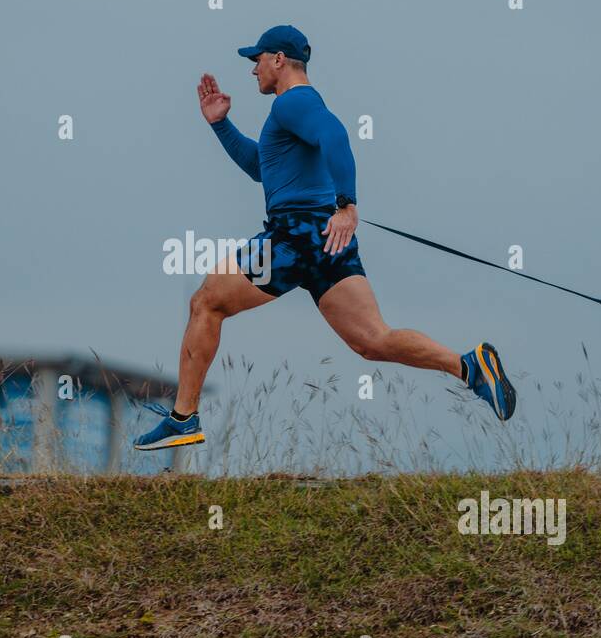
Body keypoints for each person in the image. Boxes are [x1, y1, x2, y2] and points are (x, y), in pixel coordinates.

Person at [134, 25, 515, 451]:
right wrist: (221, 126)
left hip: (296, 234)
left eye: (256, 59)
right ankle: (469, 367)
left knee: (206, 301)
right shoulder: (291, 111)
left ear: (279, 59)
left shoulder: (293, 102)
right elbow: (263, 167)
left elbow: (335, 135)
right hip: (327, 242)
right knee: (372, 340)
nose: (252, 69)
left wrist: (347, 205)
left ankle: (183, 419)